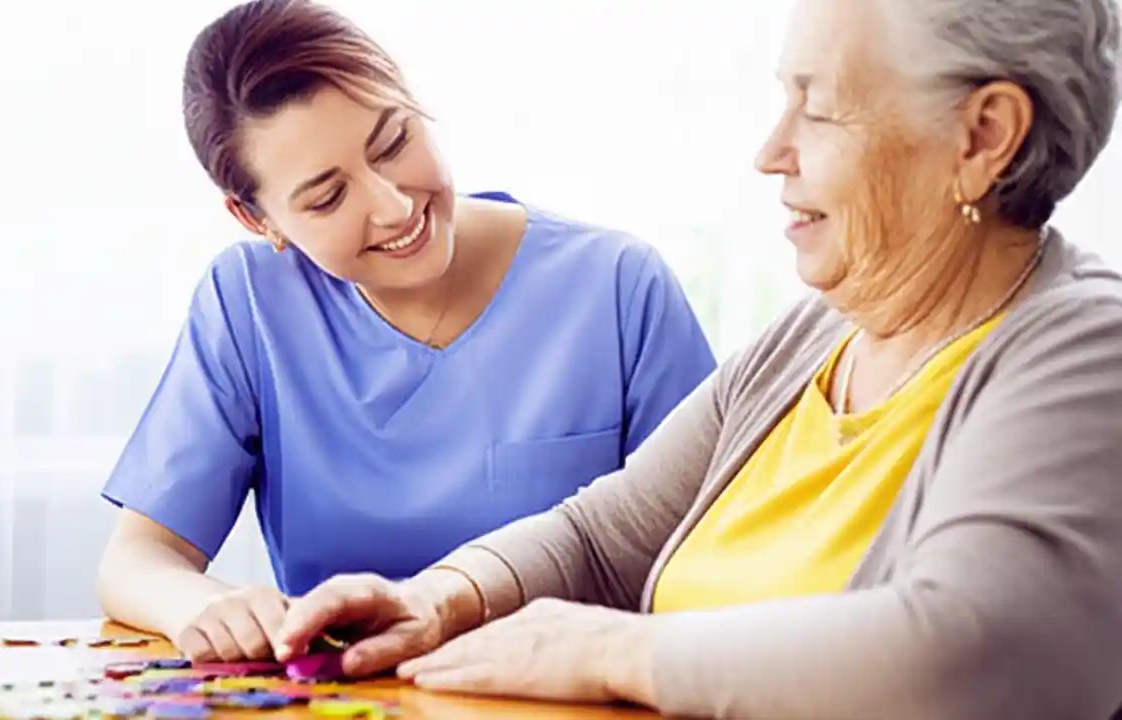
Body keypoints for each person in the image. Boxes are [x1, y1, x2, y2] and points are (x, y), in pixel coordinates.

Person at [270, 0, 1122, 717]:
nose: (771, 150)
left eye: (817, 108)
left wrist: (613, 651)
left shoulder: (1084, 350)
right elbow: (600, 540)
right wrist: (437, 599)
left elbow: (976, 656)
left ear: (983, 136)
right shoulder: (815, 336)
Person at [94, 0, 717, 665]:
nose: (394, 207)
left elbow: (716, 551)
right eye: (328, 198)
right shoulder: (249, 304)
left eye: (394, 142)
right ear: (257, 221)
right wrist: (201, 604)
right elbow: (138, 558)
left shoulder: (617, 287)